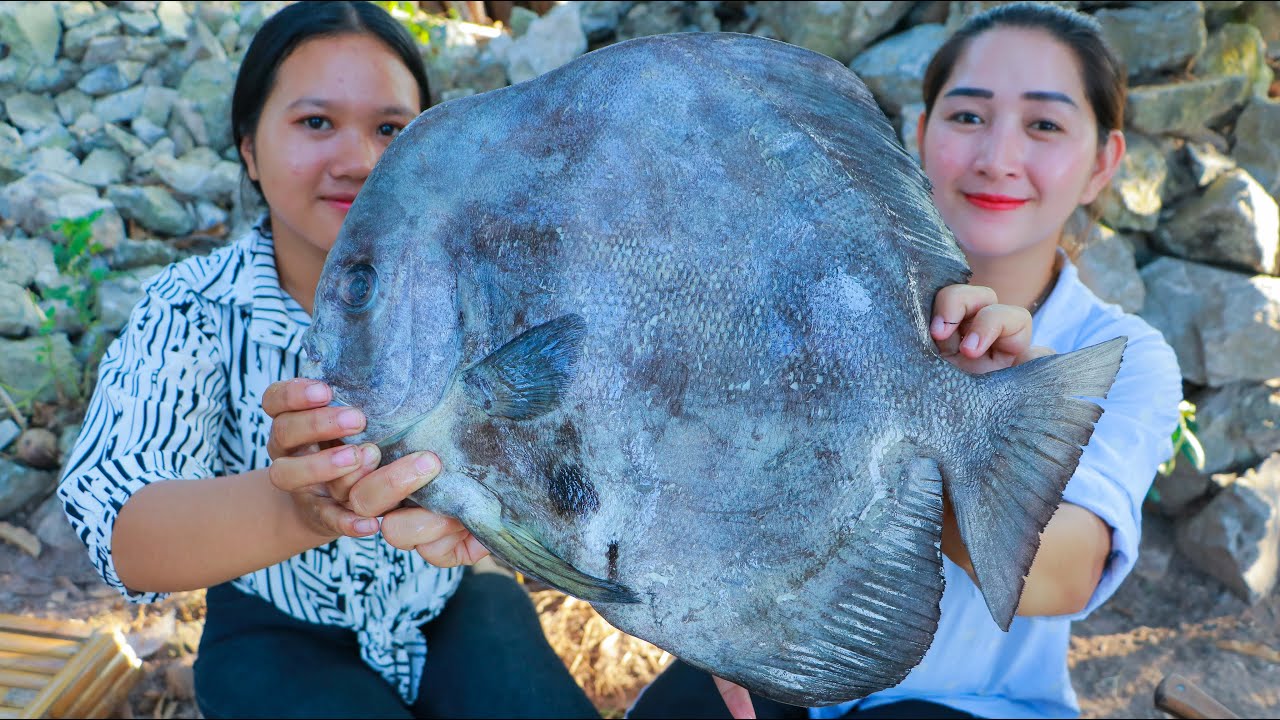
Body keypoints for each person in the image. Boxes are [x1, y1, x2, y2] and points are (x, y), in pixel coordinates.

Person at [626, 2, 1182, 719]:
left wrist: (964, 428)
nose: (997, 158)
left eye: (1043, 124)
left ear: (1104, 162)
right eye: (967, 116)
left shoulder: (1122, 356)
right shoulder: (797, 299)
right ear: (919, 137)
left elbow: (1064, 574)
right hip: (783, 676)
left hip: (975, 705)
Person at [57, 3, 598, 718]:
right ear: (247, 146)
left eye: (390, 129)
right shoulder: (193, 307)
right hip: (272, 627)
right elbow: (120, 525)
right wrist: (300, 507)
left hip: (453, 601)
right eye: (316, 122)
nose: (360, 161)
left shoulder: (490, 298)